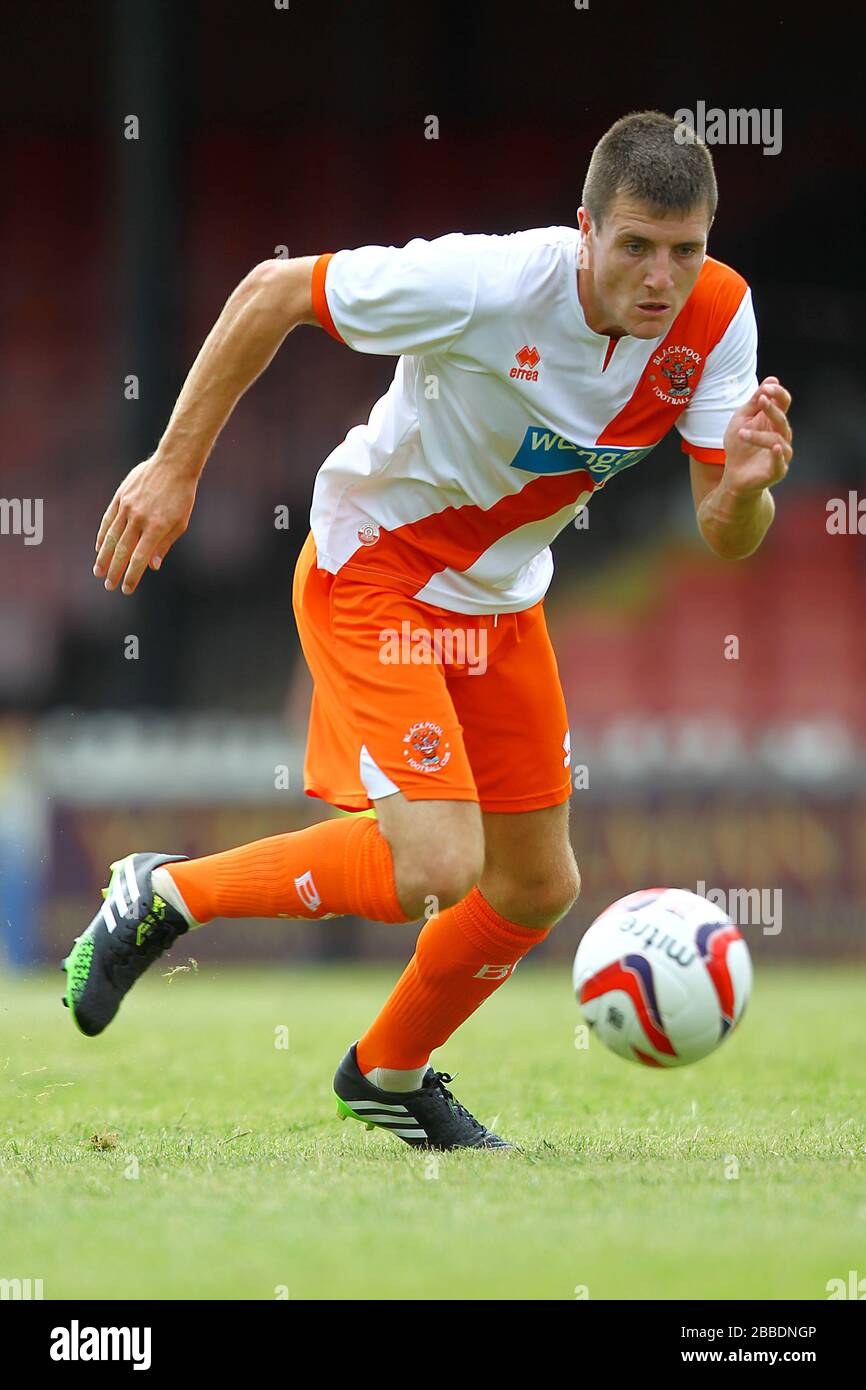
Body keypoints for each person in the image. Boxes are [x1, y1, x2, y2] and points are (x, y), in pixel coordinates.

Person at [62, 111, 793, 1150]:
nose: (658, 276)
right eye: (633, 245)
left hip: (497, 597)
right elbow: (272, 292)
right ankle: (165, 892)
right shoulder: (487, 285)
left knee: (537, 884)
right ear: (583, 228)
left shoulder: (718, 319)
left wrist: (750, 490)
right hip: (379, 569)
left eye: (684, 250)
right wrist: (173, 469)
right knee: (439, 866)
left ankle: (386, 1074)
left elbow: (726, 533)